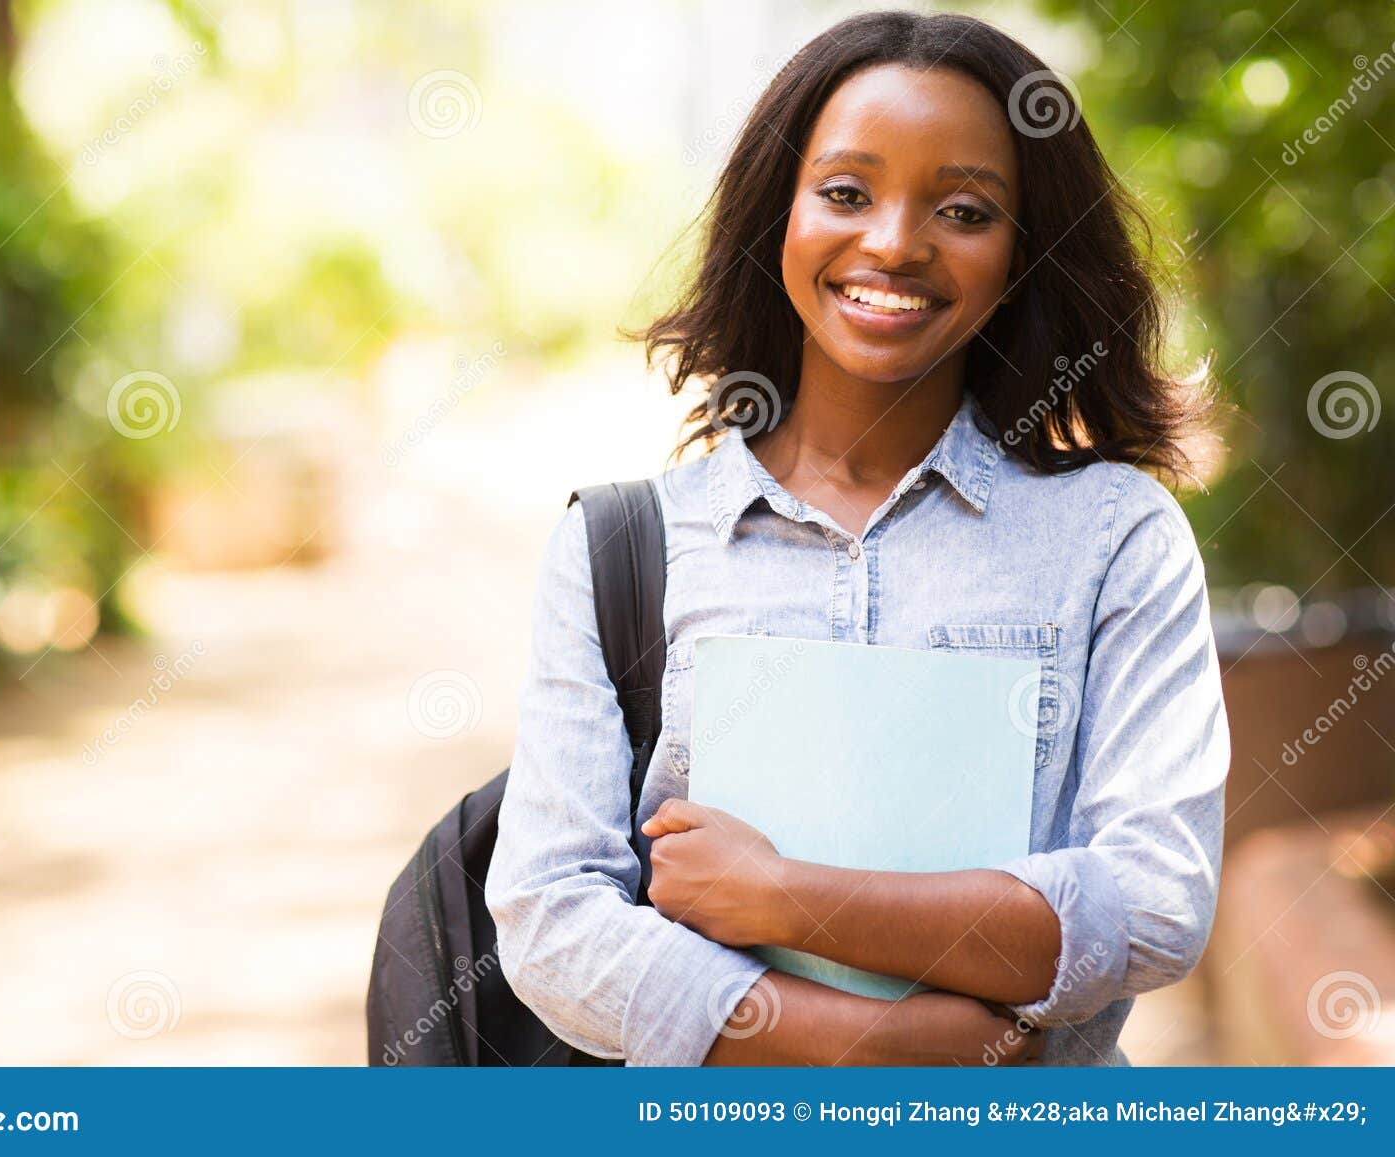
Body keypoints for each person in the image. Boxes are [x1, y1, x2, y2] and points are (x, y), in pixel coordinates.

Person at [484, 9, 1228, 1067]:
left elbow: (1152, 903)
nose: (892, 242)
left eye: (964, 210)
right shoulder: (620, 547)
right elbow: (550, 916)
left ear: (1022, 252)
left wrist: (783, 893)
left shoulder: (1115, 539)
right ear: (775, 217)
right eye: (844, 192)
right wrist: (871, 1042)